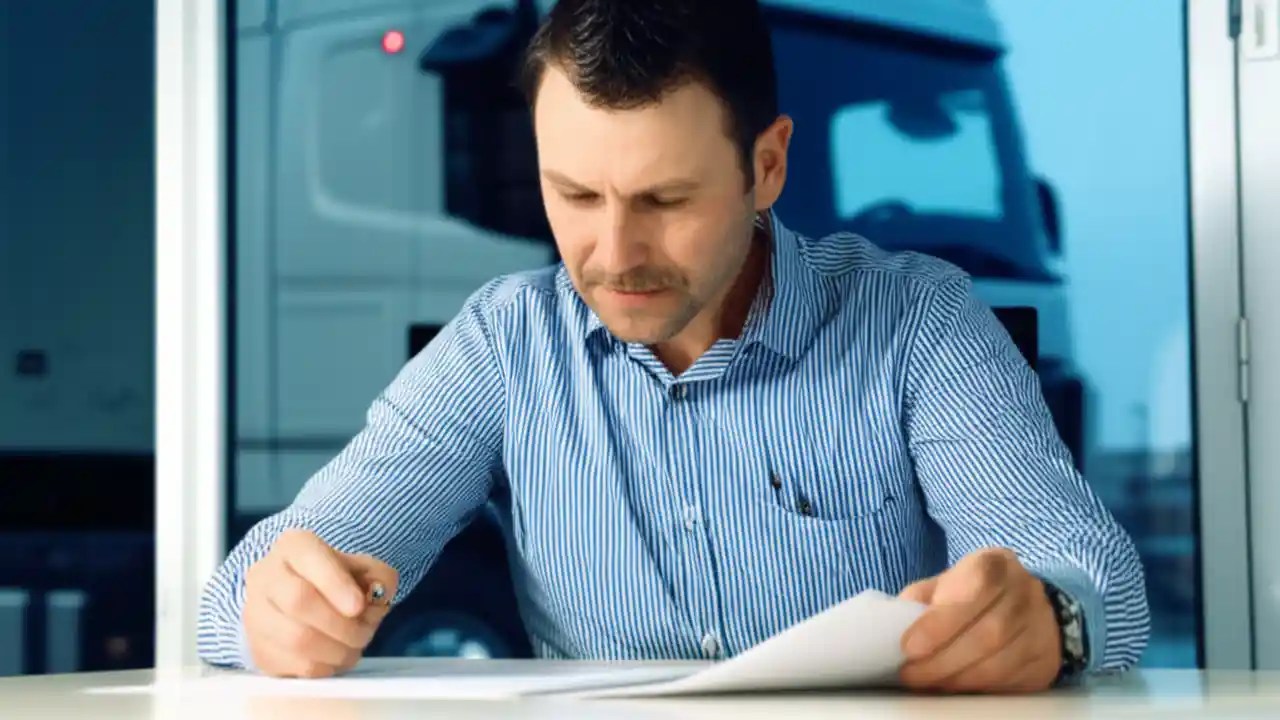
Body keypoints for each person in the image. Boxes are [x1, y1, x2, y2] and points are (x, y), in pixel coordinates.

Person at [198, 0, 1149, 693]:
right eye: (575, 195)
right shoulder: (503, 344)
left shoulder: (918, 322)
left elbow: (1097, 581)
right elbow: (234, 595)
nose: (614, 255)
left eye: (665, 200)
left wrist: (1050, 621)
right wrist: (274, 611)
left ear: (766, 166)